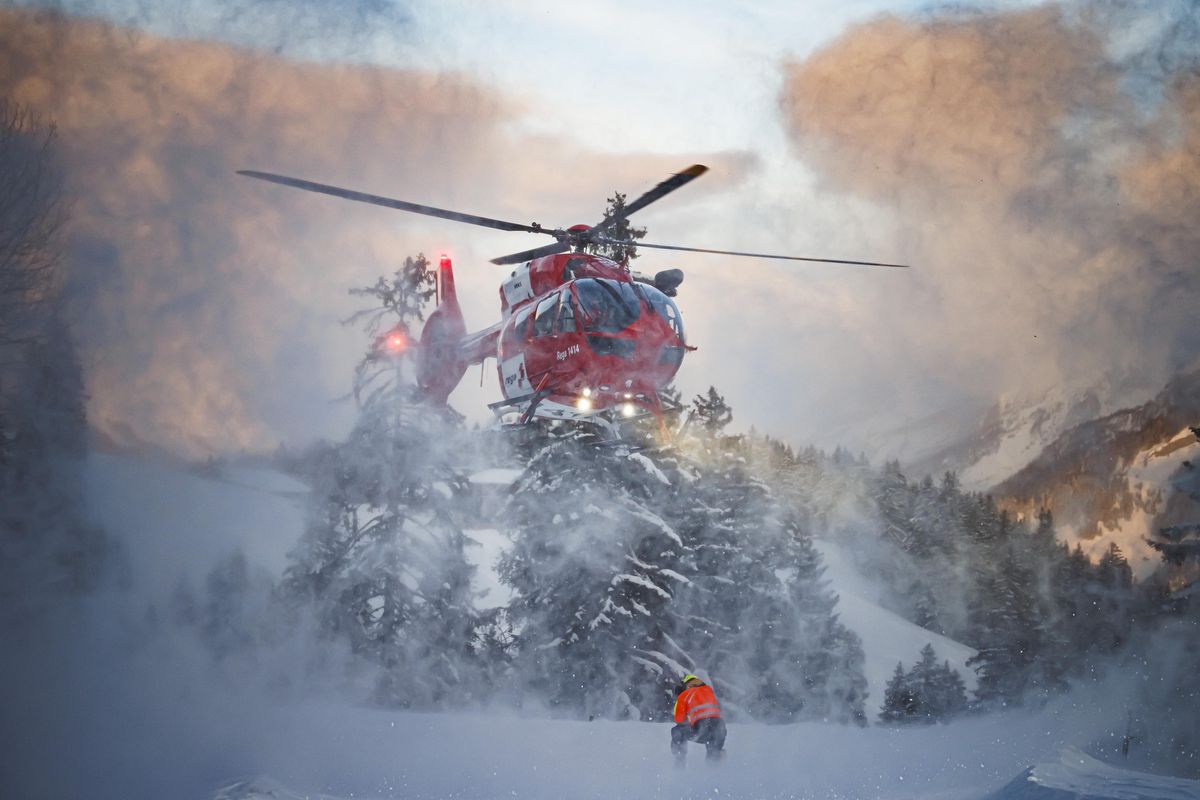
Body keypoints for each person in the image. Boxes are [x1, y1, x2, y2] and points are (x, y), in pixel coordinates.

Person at [671, 673, 726, 763]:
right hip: (720, 727)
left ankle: (679, 761)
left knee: (677, 731)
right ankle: (717, 767)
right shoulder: (708, 690)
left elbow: (679, 720)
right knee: (714, 754)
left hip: (701, 727)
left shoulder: (684, 694)